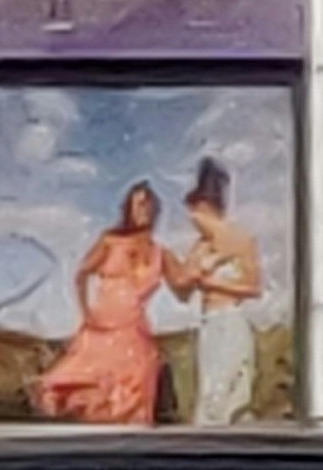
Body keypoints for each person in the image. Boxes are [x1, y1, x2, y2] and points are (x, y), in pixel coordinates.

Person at [37, 182, 166, 426]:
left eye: (148, 205)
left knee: (139, 373)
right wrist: (85, 312)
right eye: (138, 205)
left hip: (133, 323)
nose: (143, 211)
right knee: (91, 376)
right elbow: (81, 274)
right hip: (104, 321)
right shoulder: (111, 240)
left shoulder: (156, 250)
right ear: (128, 208)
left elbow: (184, 280)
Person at [164, 158, 268, 426]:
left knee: (226, 394)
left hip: (231, 319)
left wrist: (212, 283)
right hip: (209, 324)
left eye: (196, 213)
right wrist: (168, 264)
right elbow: (182, 292)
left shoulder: (239, 238)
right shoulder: (199, 248)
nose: (193, 220)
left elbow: (253, 287)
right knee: (210, 396)